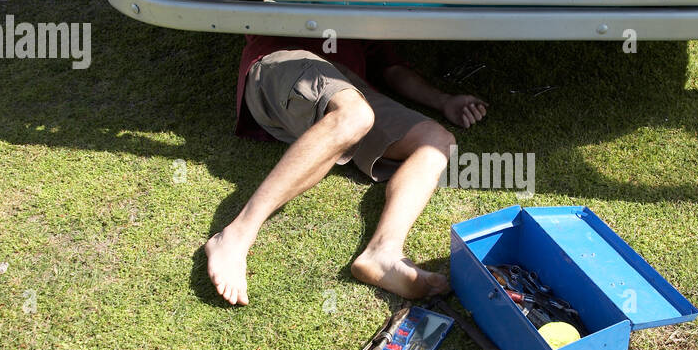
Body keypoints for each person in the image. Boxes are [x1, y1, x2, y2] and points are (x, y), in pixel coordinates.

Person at [204, 36, 487, 305]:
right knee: (354, 115)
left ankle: (383, 252)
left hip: (348, 86)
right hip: (283, 62)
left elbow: (391, 68)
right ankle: (236, 234)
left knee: (437, 141)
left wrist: (443, 101)